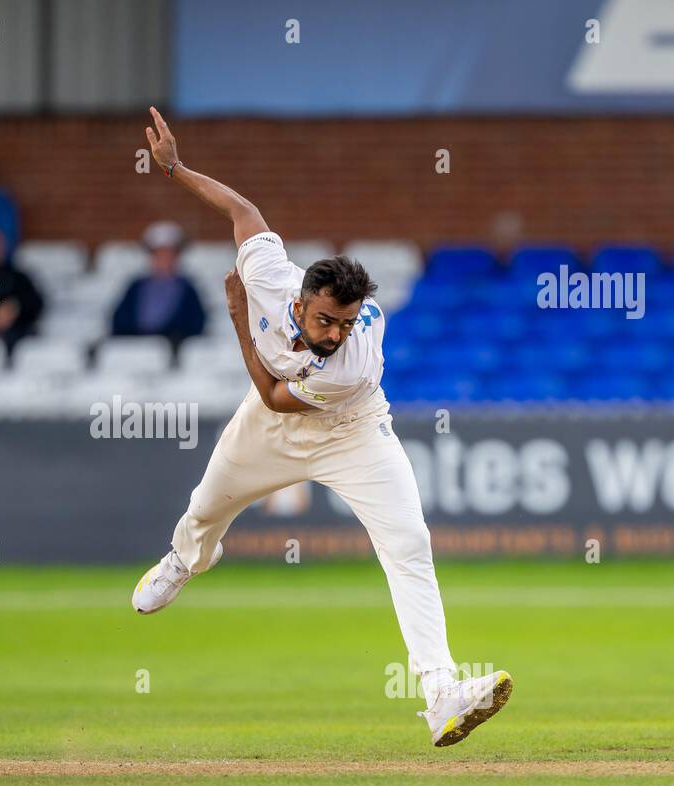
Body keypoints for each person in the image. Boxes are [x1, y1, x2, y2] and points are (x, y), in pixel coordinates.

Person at [131, 108, 513, 748]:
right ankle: (186, 561)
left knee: (409, 545)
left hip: (350, 431)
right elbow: (243, 210)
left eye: (346, 321)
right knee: (204, 508)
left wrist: (233, 319)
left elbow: (280, 397)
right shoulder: (269, 273)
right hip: (268, 430)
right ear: (301, 303)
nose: (335, 333)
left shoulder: (353, 363)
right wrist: (175, 169)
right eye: (326, 320)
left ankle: (442, 695)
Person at [111, 220, 206, 350]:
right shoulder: (135, 286)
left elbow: (196, 324)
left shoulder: (188, 288)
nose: (164, 259)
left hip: (172, 353)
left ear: (177, 256)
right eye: (158, 254)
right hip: (134, 350)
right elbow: (119, 321)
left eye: (169, 253)